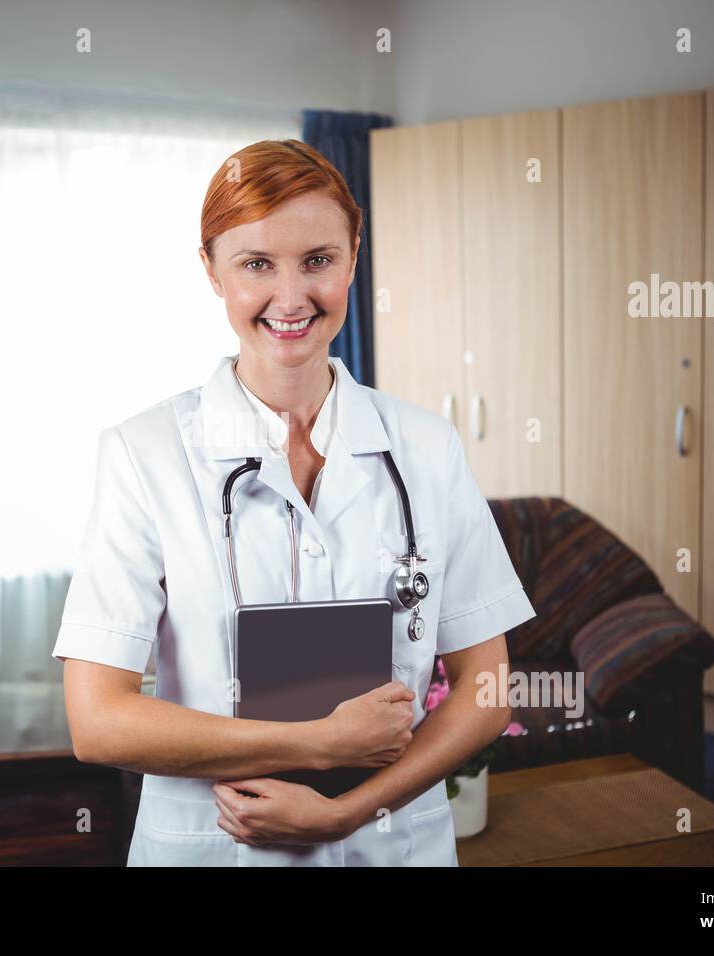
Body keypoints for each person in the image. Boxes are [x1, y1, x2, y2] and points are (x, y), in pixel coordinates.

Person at [52, 139, 536, 866]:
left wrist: (344, 813)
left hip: (393, 843)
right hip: (213, 846)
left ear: (353, 255)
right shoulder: (142, 454)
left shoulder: (428, 448)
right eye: (255, 265)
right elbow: (98, 721)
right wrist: (314, 743)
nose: (291, 298)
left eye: (318, 260)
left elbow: (487, 687)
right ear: (210, 270)